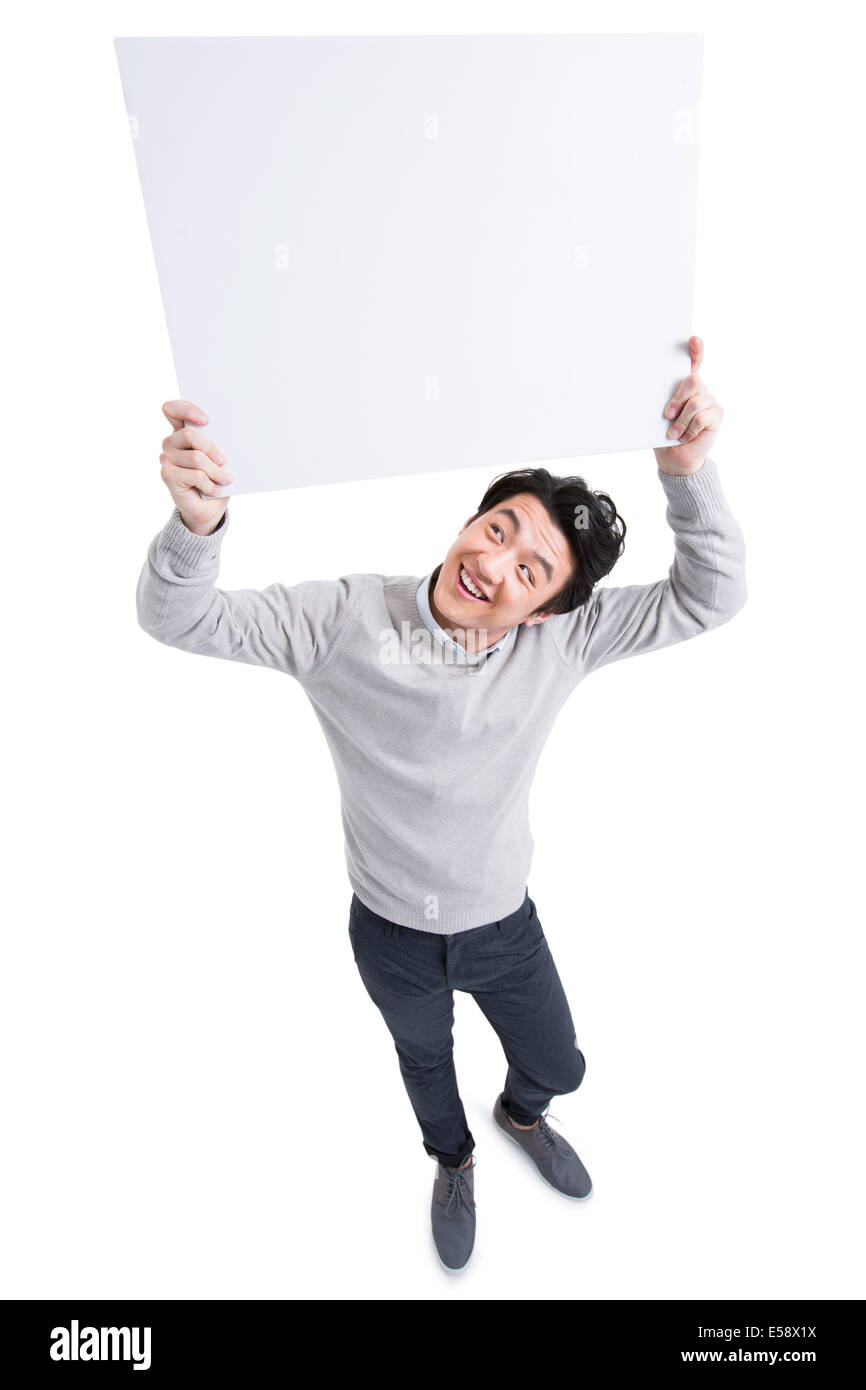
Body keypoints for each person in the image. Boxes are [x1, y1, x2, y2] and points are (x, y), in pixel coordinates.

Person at [137, 335, 747, 1273]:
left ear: (547, 609)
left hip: (505, 925)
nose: (495, 564)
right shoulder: (342, 619)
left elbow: (712, 596)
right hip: (388, 932)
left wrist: (685, 474)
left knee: (565, 1063)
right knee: (426, 1067)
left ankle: (522, 1111)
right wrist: (198, 525)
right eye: (498, 528)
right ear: (473, 519)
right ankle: (454, 1159)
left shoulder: (566, 642)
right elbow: (177, 616)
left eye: (532, 569)